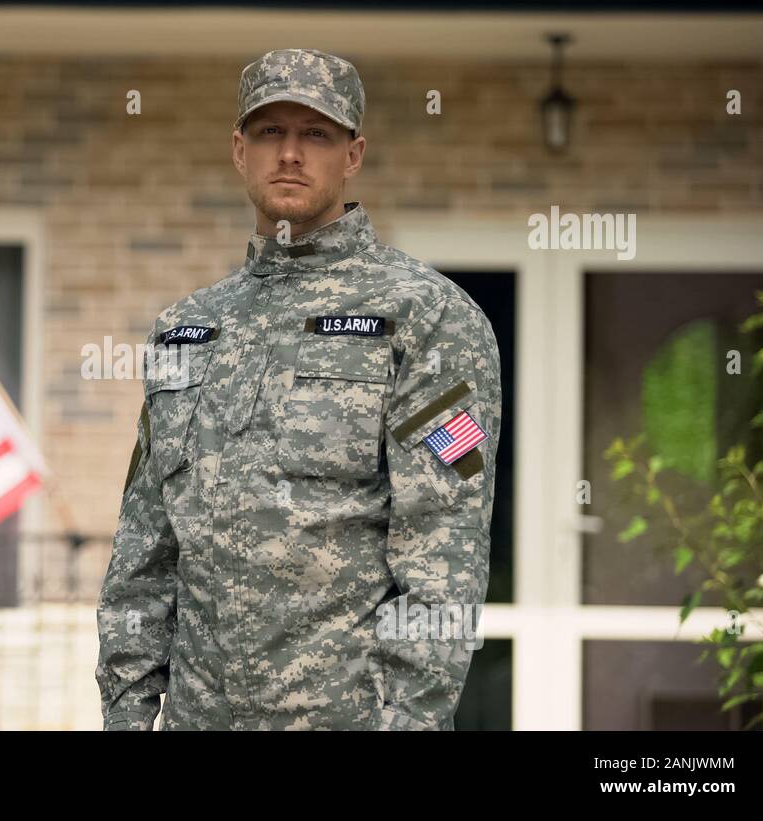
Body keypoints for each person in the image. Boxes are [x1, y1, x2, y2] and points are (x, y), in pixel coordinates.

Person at [95, 48, 502, 730]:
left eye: (316, 133)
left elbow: (444, 548)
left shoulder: (425, 316)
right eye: (269, 132)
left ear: (354, 154)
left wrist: (410, 718)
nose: (290, 153)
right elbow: (146, 546)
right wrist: (127, 711)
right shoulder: (186, 330)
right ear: (238, 149)